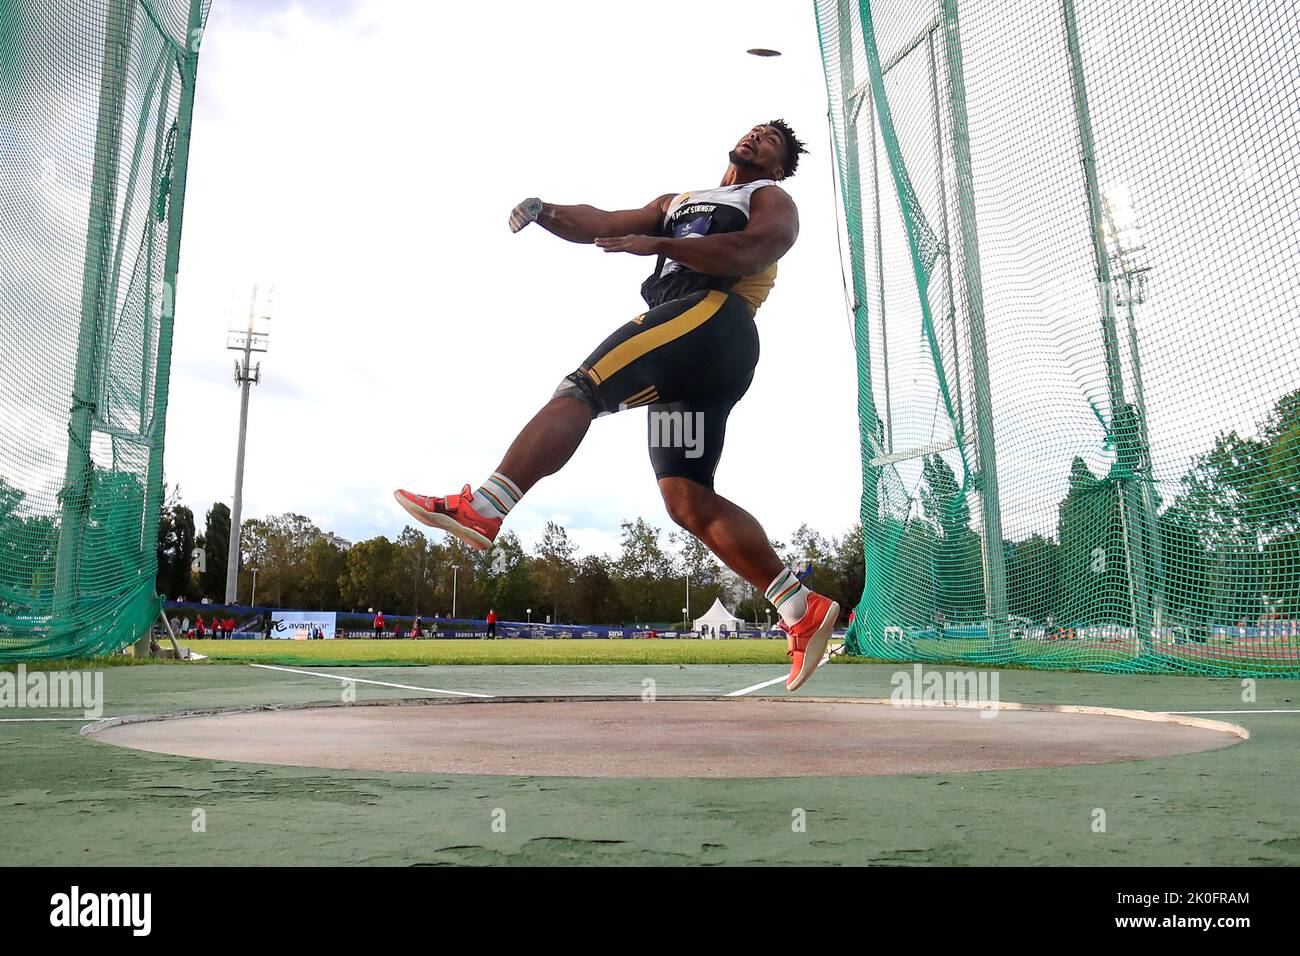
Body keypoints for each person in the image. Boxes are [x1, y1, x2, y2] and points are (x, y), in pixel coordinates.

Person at [394, 122, 838, 691]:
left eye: (769, 142)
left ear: (778, 167)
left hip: (711, 319)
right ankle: (800, 606)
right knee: (688, 499)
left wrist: (662, 246)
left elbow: (754, 249)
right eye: (752, 132)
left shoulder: (768, 198)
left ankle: (486, 506)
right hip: (695, 363)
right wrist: (545, 210)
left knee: (583, 389)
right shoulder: (675, 202)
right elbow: (602, 223)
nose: (754, 140)